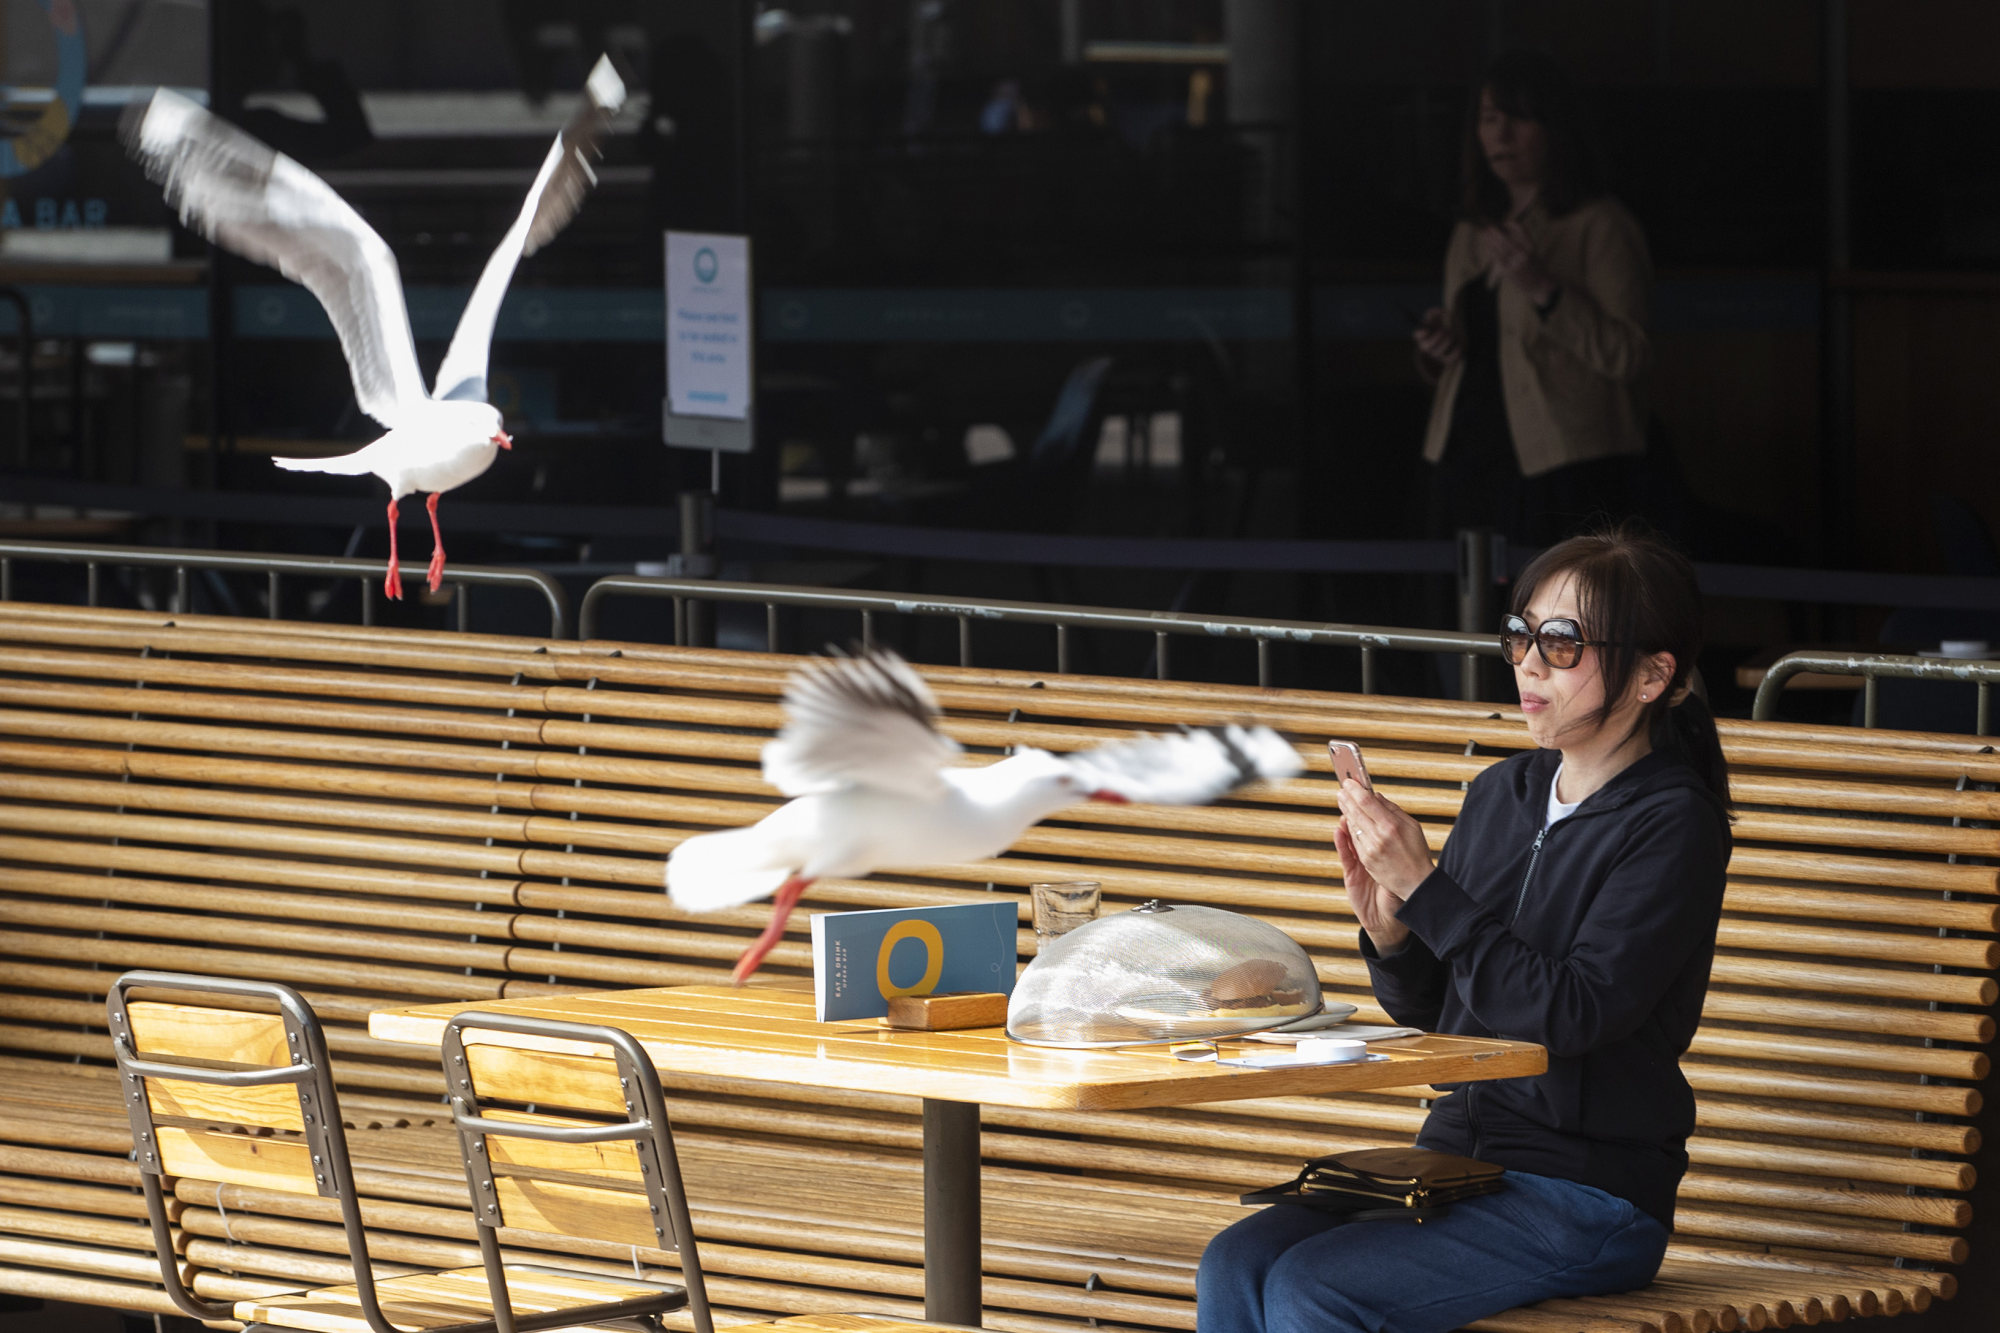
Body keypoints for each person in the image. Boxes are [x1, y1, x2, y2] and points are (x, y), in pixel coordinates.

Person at [1197, 524, 1733, 1333]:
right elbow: (1438, 1007)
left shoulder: (1673, 824)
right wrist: (1393, 931)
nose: (1527, 662)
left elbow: (1573, 1013)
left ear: (1654, 675)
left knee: (1316, 1289)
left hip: (1586, 1191)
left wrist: (1428, 889)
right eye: (1521, 635)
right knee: (1235, 1263)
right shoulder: (1503, 794)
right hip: (1456, 1162)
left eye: (1563, 642)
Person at [1415, 51, 1652, 549]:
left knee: (1550, 618)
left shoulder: (1599, 224)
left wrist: (1544, 289)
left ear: (1553, 127)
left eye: (1517, 119)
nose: (1500, 137)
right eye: (1488, 120)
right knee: (1461, 612)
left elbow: (1629, 355)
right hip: (1466, 452)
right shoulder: (1472, 230)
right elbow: (1476, 353)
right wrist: (1438, 347)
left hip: (1560, 461)